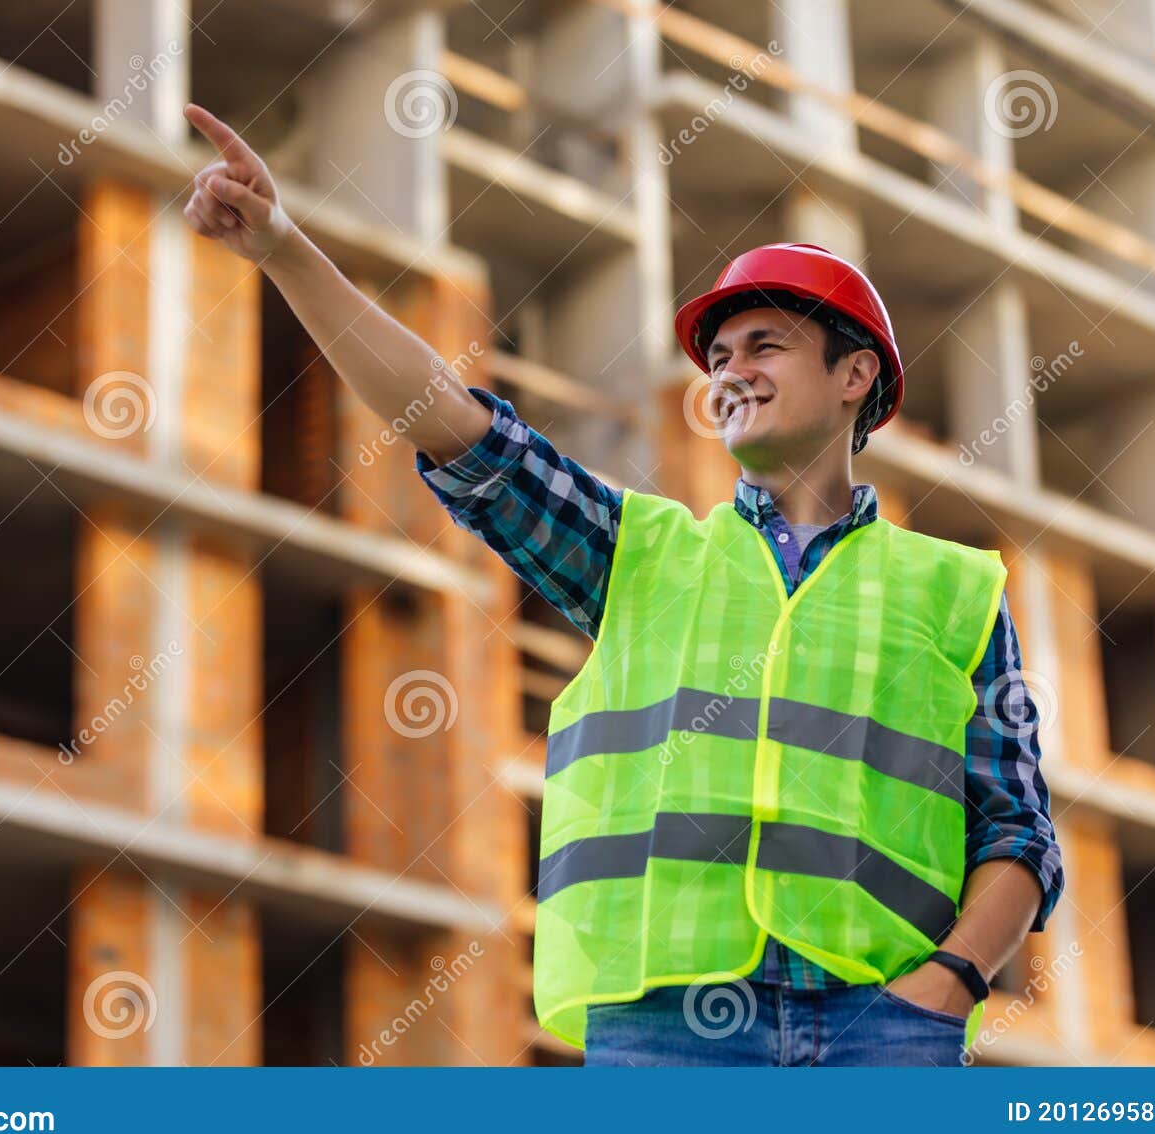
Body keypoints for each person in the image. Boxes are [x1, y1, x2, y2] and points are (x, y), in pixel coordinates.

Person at [180, 102, 1063, 1068]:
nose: (731, 373)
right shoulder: (640, 551)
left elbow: (1018, 829)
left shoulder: (955, 587)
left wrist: (949, 986)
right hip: (664, 1033)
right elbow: (445, 418)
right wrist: (284, 248)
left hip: (881, 1033)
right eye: (718, 358)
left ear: (856, 375)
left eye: (764, 346)